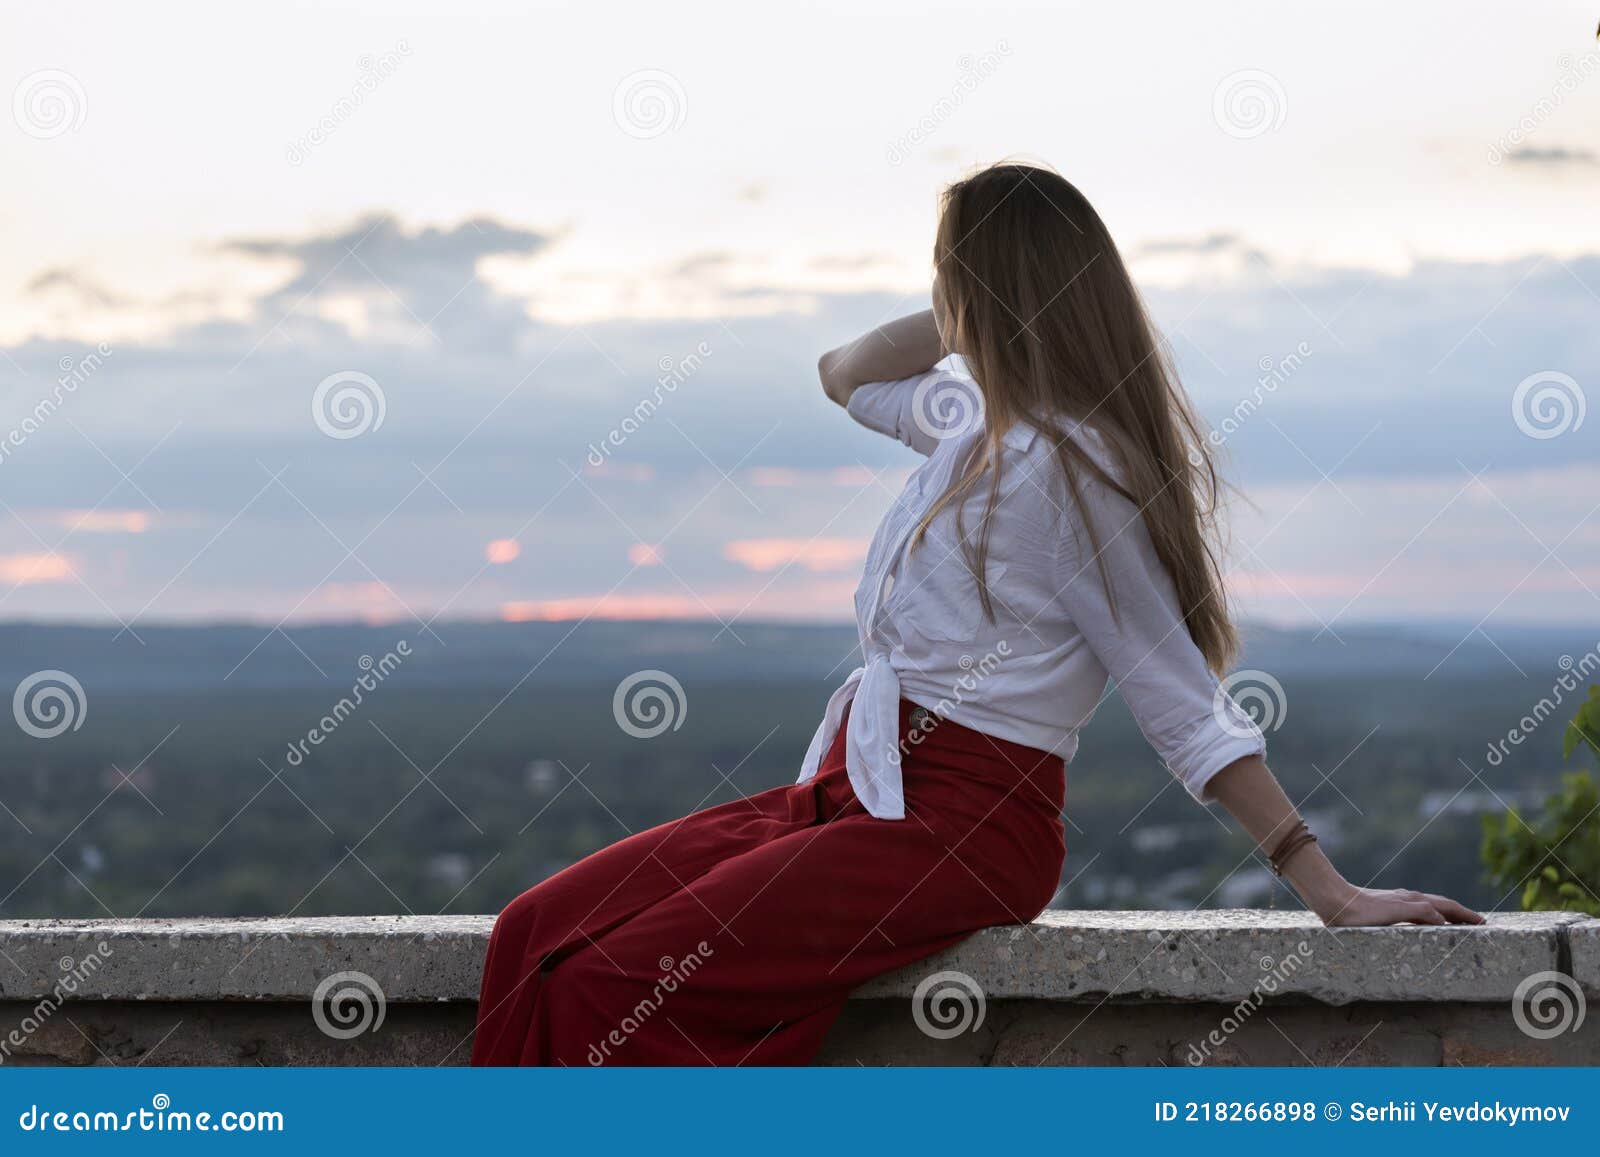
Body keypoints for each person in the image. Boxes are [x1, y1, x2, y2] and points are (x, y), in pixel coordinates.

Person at [471, 162, 1482, 1067]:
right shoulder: (974, 427)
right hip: (855, 787)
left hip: (962, 825)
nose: (941, 301)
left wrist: (1327, 887)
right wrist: (970, 314)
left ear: (991, 289)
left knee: (606, 986)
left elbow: (1180, 700)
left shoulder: (1077, 471)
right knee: (531, 931)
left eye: (951, 274)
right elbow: (845, 372)